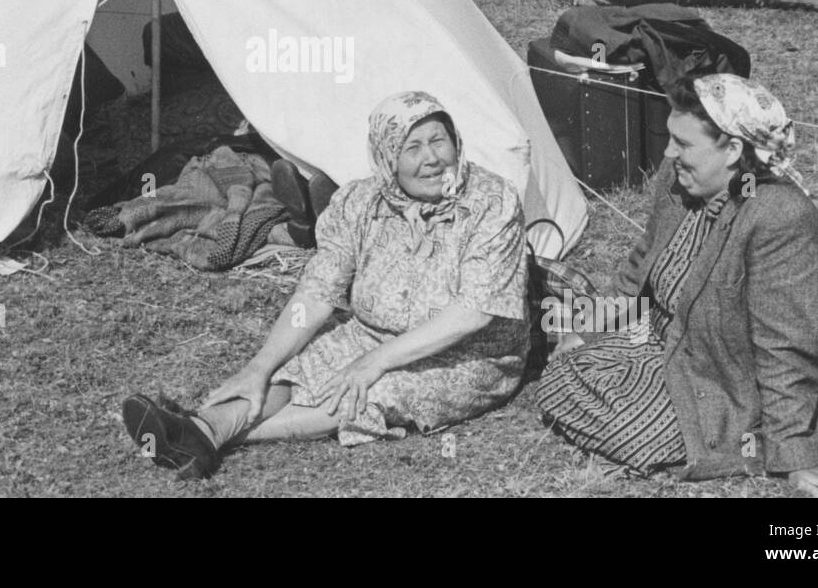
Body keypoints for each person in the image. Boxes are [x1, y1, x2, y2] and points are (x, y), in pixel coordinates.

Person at [122, 90, 531, 479]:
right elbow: (316, 293)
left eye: (438, 141)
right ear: (387, 157)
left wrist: (374, 362)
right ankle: (200, 429)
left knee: (372, 390)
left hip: (471, 356)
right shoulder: (360, 202)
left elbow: (472, 314)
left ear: (456, 142)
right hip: (371, 334)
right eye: (412, 148)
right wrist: (258, 368)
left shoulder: (492, 202)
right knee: (294, 367)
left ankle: (209, 437)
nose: (432, 160)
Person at [536, 73, 818, 497]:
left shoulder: (779, 218)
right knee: (562, 371)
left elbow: (785, 346)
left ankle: (753, 446)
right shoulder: (679, 180)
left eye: (682, 143)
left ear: (733, 149)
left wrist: (796, 459)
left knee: (627, 426)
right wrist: (591, 329)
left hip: (731, 379)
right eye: (670, 138)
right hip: (668, 342)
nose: (667, 151)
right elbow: (643, 262)